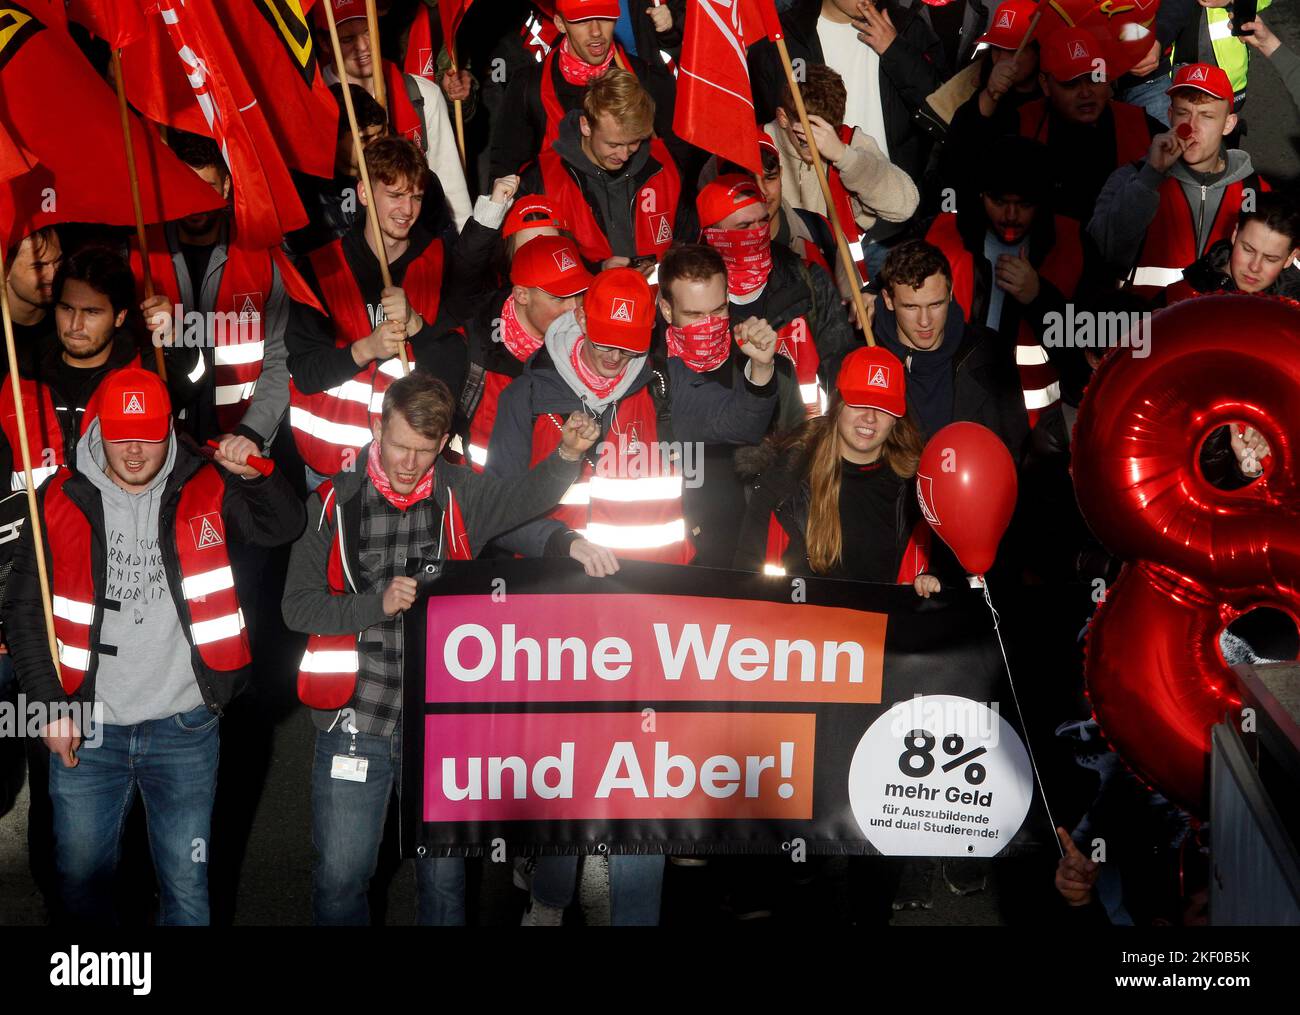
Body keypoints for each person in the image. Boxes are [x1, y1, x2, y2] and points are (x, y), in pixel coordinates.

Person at [281, 371, 601, 925]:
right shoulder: (331, 504)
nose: (409, 464)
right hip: (357, 721)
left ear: (443, 445)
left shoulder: (460, 494)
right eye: (400, 446)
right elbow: (296, 607)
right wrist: (373, 606)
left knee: (447, 885)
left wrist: (568, 453)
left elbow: (527, 498)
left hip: (442, 731)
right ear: (376, 427)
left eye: (424, 452)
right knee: (341, 880)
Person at [4, 367, 304, 925]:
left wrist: (256, 474)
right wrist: (47, 707)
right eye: (121, 436)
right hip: (88, 729)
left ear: (170, 427)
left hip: (186, 727)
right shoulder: (58, 499)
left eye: (148, 434)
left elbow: (284, 525)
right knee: (81, 893)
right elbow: (22, 612)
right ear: (99, 429)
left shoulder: (206, 483)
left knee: (187, 890)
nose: (136, 451)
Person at [487, 266, 779, 573]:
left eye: (628, 345)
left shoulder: (663, 384)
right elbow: (498, 510)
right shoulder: (527, 396)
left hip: (657, 592)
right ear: (582, 319)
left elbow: (743, 426)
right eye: (604, 341)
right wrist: (564, 543)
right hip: (559, 589)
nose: (614, 356)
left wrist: (760, 370)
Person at [286, 137, 468, 489]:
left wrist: (418, 327)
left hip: (411, 470)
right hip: (330, 469)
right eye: (395, 195)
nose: (407, 209)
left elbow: (457, 368)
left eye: (415, 197)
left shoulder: (440, 262)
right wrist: (365, 350)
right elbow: (305, 374)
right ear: (365, 194)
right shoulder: (319, 269)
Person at [131, 131, 300, 455]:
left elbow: (280, 358)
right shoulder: (142, 256)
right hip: (163, 445)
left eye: (206, 188)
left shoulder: (262, 255)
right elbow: (124, 358)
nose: (194, 201)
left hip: (241, 444)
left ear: (225, 188)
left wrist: (252, 432)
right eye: (185, 186)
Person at [734, 344, 935, 587]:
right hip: (799, 622)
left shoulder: (921, 490)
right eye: (859, 402)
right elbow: (745, 577)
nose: (870, 417)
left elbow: (946, 579)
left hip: (883, 623)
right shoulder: (788, 477)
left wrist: (932, 583)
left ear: (896, 419)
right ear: (837, 404)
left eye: (883, 407)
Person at [924, 137, 1086, 427]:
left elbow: (1084, 361)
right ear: (980, 195)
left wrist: (1039, 298)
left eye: (1023, 204)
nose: (1011, 216)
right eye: (998, 202)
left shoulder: (1073, 242)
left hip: (1037, 430)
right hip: (954, 415)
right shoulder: (942, 233)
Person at [1088, 63, 1266, 301]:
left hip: (1221, 329)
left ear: (1228, 124)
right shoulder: (1132, 177)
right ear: (1170, 116)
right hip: (1146, 328)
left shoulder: (1255, 190)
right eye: (1183, 113)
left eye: (1206, 116)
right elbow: (1101, 253)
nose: (1191, 127)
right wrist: (1150, 176)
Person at [697, 174, 856, 420]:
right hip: (730, 442)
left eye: (762, 221)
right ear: (713, 234)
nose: (757, 232)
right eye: (743, 227)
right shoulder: (691, 296)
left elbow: (840, 362)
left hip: (805, 435)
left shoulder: (805, 278)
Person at [749, 0, 945, 185]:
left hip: (895, 197)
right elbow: (763, 130)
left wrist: (896, 51)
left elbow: (944, 112)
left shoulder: (907, 26)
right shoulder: (782, 38)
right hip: (819, 204)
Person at [316, 0, 471, 229]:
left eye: (368, 31)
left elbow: (452, 195)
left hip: (414, 248)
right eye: (347, 39)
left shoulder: (422, 95)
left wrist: (464, 257)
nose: (363, 47)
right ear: (324, 42)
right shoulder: (312, 105)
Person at [520, 68, 689, 273]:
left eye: (634, 142)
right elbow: (530, 265)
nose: (625, 155)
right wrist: (598, 270)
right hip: (583, 301)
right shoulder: (543, 179)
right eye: (613, 144)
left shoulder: (665, 165)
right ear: (586, 126)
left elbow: (690, 240)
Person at [0, 247, 142, 491]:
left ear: (119, 317)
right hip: (33, 528)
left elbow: (190, 381)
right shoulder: (17, 381)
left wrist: (171, 336)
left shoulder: (144, 377)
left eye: (91, 312)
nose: (75, 325)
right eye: (66, 309)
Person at [871, 239, 1028, 459]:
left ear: (951, 293)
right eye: (911, 307)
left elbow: (1015, 451)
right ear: (888, 300)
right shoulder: (867, 363)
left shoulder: (991, 352)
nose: (924, 321)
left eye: (935, 304)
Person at [488, 0, 679, 180]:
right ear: (560, 23)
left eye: (604, 18)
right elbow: (505, 171)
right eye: (582, 20)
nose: (596, 31)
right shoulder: (529, 85)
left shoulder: (648, 80)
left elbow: (677, 167)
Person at [766, 64, 919, 288]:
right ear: (783, 118)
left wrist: (842, 156)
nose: (817, 143)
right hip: (775, 279)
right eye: (807, 133)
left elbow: (905, 205)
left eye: (826, 130)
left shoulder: (849, 142)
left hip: (843, 285)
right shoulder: (757, 145)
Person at [457, 233, 593, 471]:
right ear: (522, 295)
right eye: (559, 297)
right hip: (482, 496)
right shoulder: (470, 344)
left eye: (579, 294)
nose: (574, 308)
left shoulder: (594, 348)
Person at [1006, 27, 1155, 222]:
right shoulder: (1022, 125)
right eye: (1070, 83)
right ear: (1045, 84)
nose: (1085, 92)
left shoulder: (1140, 124)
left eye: (1095, 78)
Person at [1171, 191, 1300, 301]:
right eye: (1248, 250)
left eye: (1270, 259)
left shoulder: (1295, 311)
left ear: (1289, 258)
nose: (1254, 267)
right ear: (1234, 234)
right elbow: (1149, 328)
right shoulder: (1183, 294)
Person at [2, 226, 61, 375]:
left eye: (58, 261)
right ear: (5, 270)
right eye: (39, 266)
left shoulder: (68, 321)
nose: (53, 276)